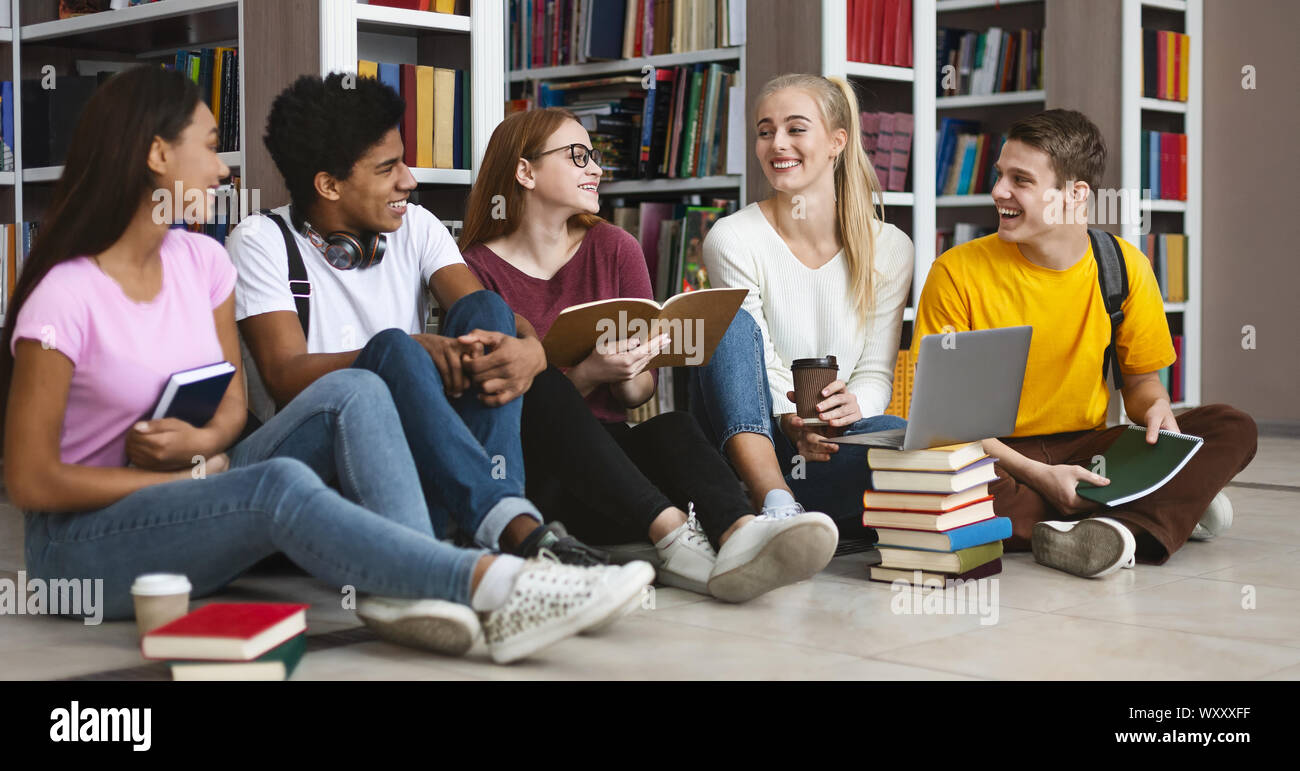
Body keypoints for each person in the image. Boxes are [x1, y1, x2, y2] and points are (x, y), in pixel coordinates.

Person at [0, 65, 651, 665]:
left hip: (203, 488)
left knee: (360, 386)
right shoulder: (67, 293)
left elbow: (230, 403)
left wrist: (202, 444)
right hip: (80, 545)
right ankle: (494, 579)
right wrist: (176, 484)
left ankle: (431, 571)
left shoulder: (201, 263)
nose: (225, 171)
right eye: (206, 144)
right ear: (157, 153)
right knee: (285, 472)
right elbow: (30, 482)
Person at [459, 108, 838, 603]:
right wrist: (588, 373)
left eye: (594, 157)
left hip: (619, 470)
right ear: (526, 172)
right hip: (539, 472)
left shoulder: (614, 247)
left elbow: (639, 397)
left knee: (673, 425)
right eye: (578, 157)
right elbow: (501, 400)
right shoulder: (475, 268)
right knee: (540, 380)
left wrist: (631, 368)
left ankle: (740, 534)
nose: (596, 168)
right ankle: (674, 538)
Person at [227, 74, 606, 566]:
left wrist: (533, 351)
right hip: (309, 454)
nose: (409, 179)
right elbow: (283, 377)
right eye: (388, 168)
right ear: (329, 184)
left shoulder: (417, 225)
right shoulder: (261, 239)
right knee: (393, 347)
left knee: (486, 313)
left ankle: (488, 537)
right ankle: (511, 531)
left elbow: (495, 319)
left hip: (409, 455)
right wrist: (404, 350)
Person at [911, 108, 1256, 577]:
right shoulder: (956, 272)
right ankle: (1150, 512)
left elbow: (1141, 384)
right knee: (941, 485)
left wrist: (1157, 409)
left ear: (1074, 195)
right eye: (999, 176)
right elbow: (946, 420)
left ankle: (1111, 526)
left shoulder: (1123, 266)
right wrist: (1040, 476)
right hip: (997, 455)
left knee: (1230, 426)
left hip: (1088, 447)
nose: (998, 192)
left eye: (1020, 180)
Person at [689, 73, 915, 533]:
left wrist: (850, 409)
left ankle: (799, 515)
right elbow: (751, 360)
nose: (777, 144)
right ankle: (771, 497)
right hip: (753, 437)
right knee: (728, 325)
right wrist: (791, 419)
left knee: (902, 433)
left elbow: (875, 372)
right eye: (765, 131)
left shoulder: (891, 247)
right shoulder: (733, 237)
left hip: (829, 444)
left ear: (837, 141)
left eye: (795, 129)